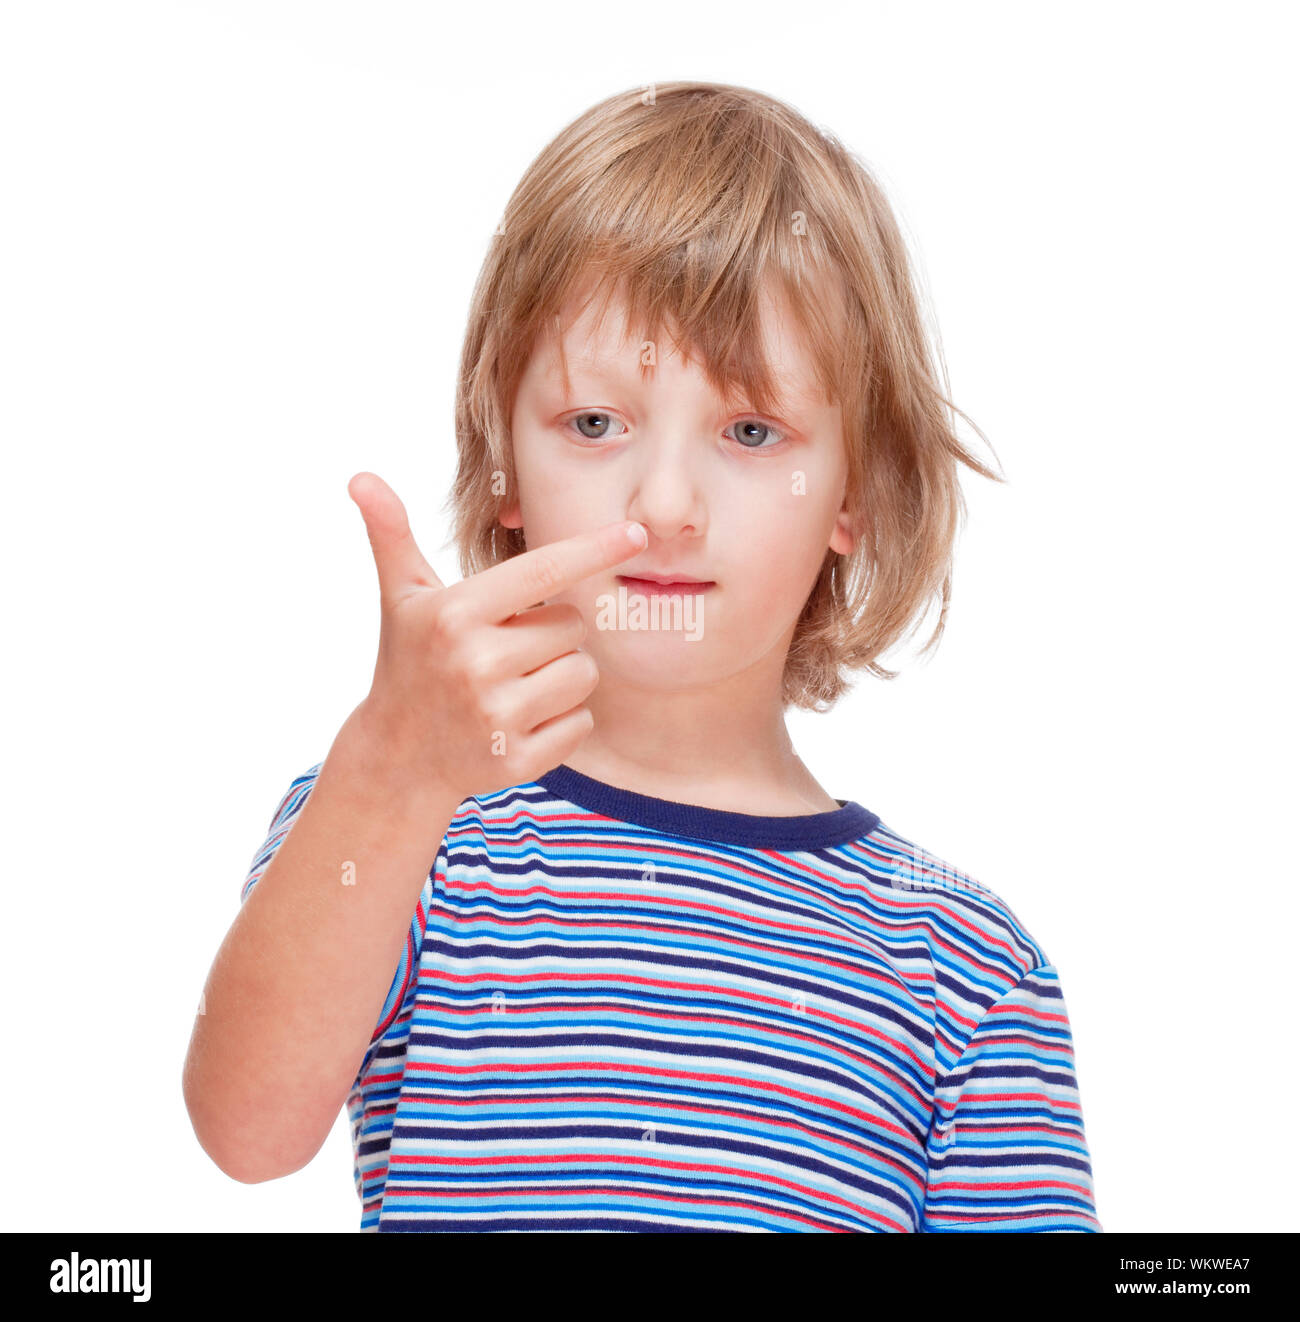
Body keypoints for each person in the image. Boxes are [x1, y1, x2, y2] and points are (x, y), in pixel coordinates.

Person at [183, 81, 1101, 1232]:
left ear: (855, 492)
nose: (665, 505)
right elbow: (246, 1128)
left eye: (751, 431)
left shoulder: (964, 965)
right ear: (502, 462)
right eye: (596, 423)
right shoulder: (402, 825)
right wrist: (388, 769)